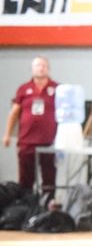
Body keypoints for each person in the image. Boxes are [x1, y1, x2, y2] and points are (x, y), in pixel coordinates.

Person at [4, 57, 58, 196]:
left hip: (49, 142)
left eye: (44, 65)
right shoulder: (24, 89)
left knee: (49, 179)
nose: (41, 68)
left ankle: (48, 209)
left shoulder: (57, 88)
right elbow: (14, 113)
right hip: (27, 142)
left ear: (48, 68)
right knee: (26, 180)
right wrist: (7, 134)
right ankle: (26, 208)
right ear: (32, 69)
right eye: (38, 65)